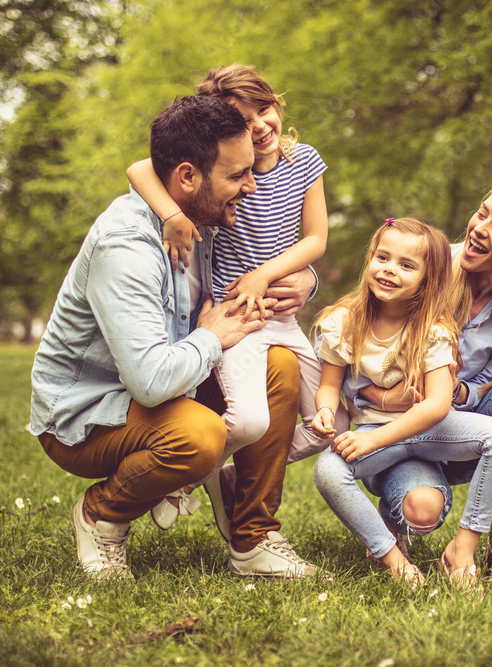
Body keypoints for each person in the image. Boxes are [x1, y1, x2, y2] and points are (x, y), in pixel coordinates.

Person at [29, 96, 316, 580]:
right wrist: (211, 337)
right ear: (187, 176)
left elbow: (271, 248)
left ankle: (253, 539)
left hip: (172, 384)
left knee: (280, 365)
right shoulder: (127, 246)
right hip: (88, 414)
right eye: (238, 176)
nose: (251, 185)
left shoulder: (198, 220)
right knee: (198, 437)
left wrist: (305, 278)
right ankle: (101, 515)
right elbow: (151, 382)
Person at [126, 66, 348, 559]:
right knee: (248, 421)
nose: (261, 126)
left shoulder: (305, 162)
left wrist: (272, 275)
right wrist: (173, 215)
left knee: (338, 423)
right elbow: (139, 169)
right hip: (237, 320)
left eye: (265, 110)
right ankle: (186, 475)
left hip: (282, 319)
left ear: (278, 104)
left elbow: (315, 239)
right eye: (245, 122)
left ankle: (224, 476)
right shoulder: (221, 169)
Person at [358, 175, 492, 583]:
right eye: (482, 213)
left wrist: (457, 391)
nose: (479, 228)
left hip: (458, 429)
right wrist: (388, 397)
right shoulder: (424, 269)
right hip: (396, 432)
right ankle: (394, 519)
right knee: (420, 510)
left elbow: (490, 383)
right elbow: (357, 351)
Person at [311, 218, 492, 590]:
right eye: (383, 258)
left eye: (407, 265)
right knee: (328, 472)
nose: (390, 270)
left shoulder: (433, 330)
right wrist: (326, 410)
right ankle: (392, 558)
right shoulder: (343, 322)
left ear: (429, 279)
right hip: (375, 431)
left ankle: (465, 549)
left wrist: (373, 441)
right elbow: (329, 386)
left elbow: (438, 405)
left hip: (429, 430)